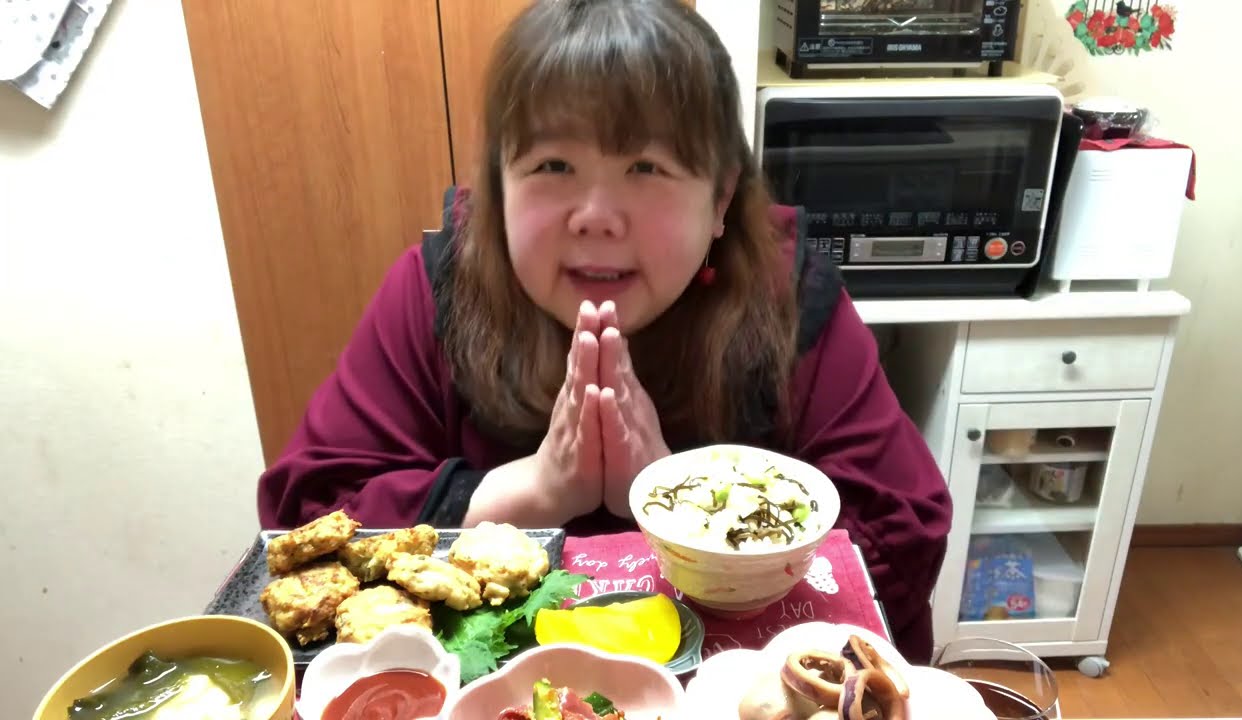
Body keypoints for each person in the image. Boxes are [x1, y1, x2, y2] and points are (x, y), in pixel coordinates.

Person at [256, 0, 951, 662]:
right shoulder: (438, 287)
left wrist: (670, 505)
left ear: (721, 197)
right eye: (552, 166)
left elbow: (898, 537)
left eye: (646, 168)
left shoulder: (785, 295)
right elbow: (308, 518)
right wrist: (528, 493)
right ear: (499, 190)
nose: (595, 216)